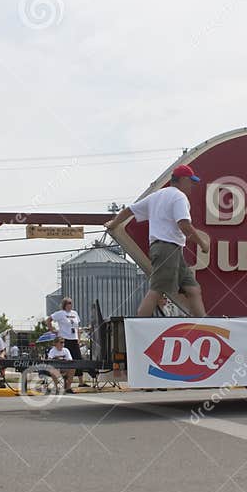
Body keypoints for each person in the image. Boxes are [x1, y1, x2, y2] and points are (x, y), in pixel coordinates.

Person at [105, 164, 207, 317]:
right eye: (191, 181)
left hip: (170, 250)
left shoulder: (158, 195)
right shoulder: (179, 197)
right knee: (157, 291)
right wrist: (202, 244)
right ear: (183, 179)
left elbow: (129, 211)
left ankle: (204, 324)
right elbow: (184, 224)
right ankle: (138, 326)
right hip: (167, 248)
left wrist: (113, 224)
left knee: (193, 289)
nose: (192, 185)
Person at [46, 297, 93, 386]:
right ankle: (65, 383)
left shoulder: (74, 313)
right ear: (64, 304)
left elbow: (77, 327)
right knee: (66, 361)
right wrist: (52, 330)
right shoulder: (60, 313)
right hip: (65, 339)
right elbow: (48, 319)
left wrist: (78, 339)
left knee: (78, 360)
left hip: (74, 339)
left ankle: (81, 381)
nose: (70, 305)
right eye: (68, 303)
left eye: (71, 303)